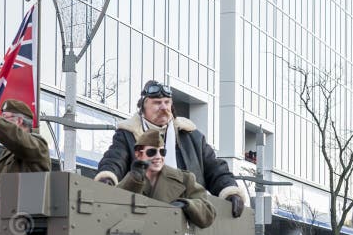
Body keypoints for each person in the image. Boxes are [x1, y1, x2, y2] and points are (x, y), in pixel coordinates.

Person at [95, 80, 247, 218]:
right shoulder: (128, 134)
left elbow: (215, 169)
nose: (163, 107)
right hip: (143, 214)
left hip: (187, 215)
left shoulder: (191, 137)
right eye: (157, 103)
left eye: (167, 102)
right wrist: (107, 178)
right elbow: (114, 160)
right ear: (143, 106)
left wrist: (230, 191)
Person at [116, 129, 216, 228]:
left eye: (162, 152)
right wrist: (134, 179)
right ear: (138, 154)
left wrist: (186, 204)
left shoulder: (184, 179)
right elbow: (113, 205)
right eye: (152, 152)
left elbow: (208, 213)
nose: (158, 156)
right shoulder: (132, 179)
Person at [0, 99, 51, 187]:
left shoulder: (39, 145)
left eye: (4, 118)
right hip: (5, 199)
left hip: (25, 200)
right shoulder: (9, 150)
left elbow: (16, 136)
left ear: (19, 121)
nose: (2, 120)